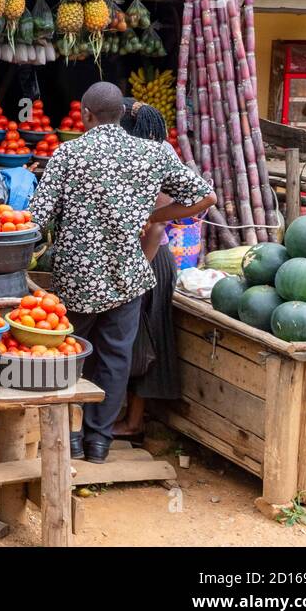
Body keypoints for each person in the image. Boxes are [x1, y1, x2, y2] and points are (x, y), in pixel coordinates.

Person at [27, 82, 215, 463]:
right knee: (115, 357)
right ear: (121, 113)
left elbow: (36, 219)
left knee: (66, 355)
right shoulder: (154, 153)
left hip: (76, 276)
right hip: (128, 276)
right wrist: (152, 215)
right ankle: (99, 443)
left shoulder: (68, 154)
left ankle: (69, 436)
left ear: (86, 115)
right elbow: (204, 197)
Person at [116, 98, 181, 436]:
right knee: (135, 337)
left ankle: (134, 422)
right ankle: (129, 418)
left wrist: (138, 270)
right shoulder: (156, 156)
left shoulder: (151, 162)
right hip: (145, 257)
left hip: (151, 260)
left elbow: (156, 227)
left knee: (144, 339)